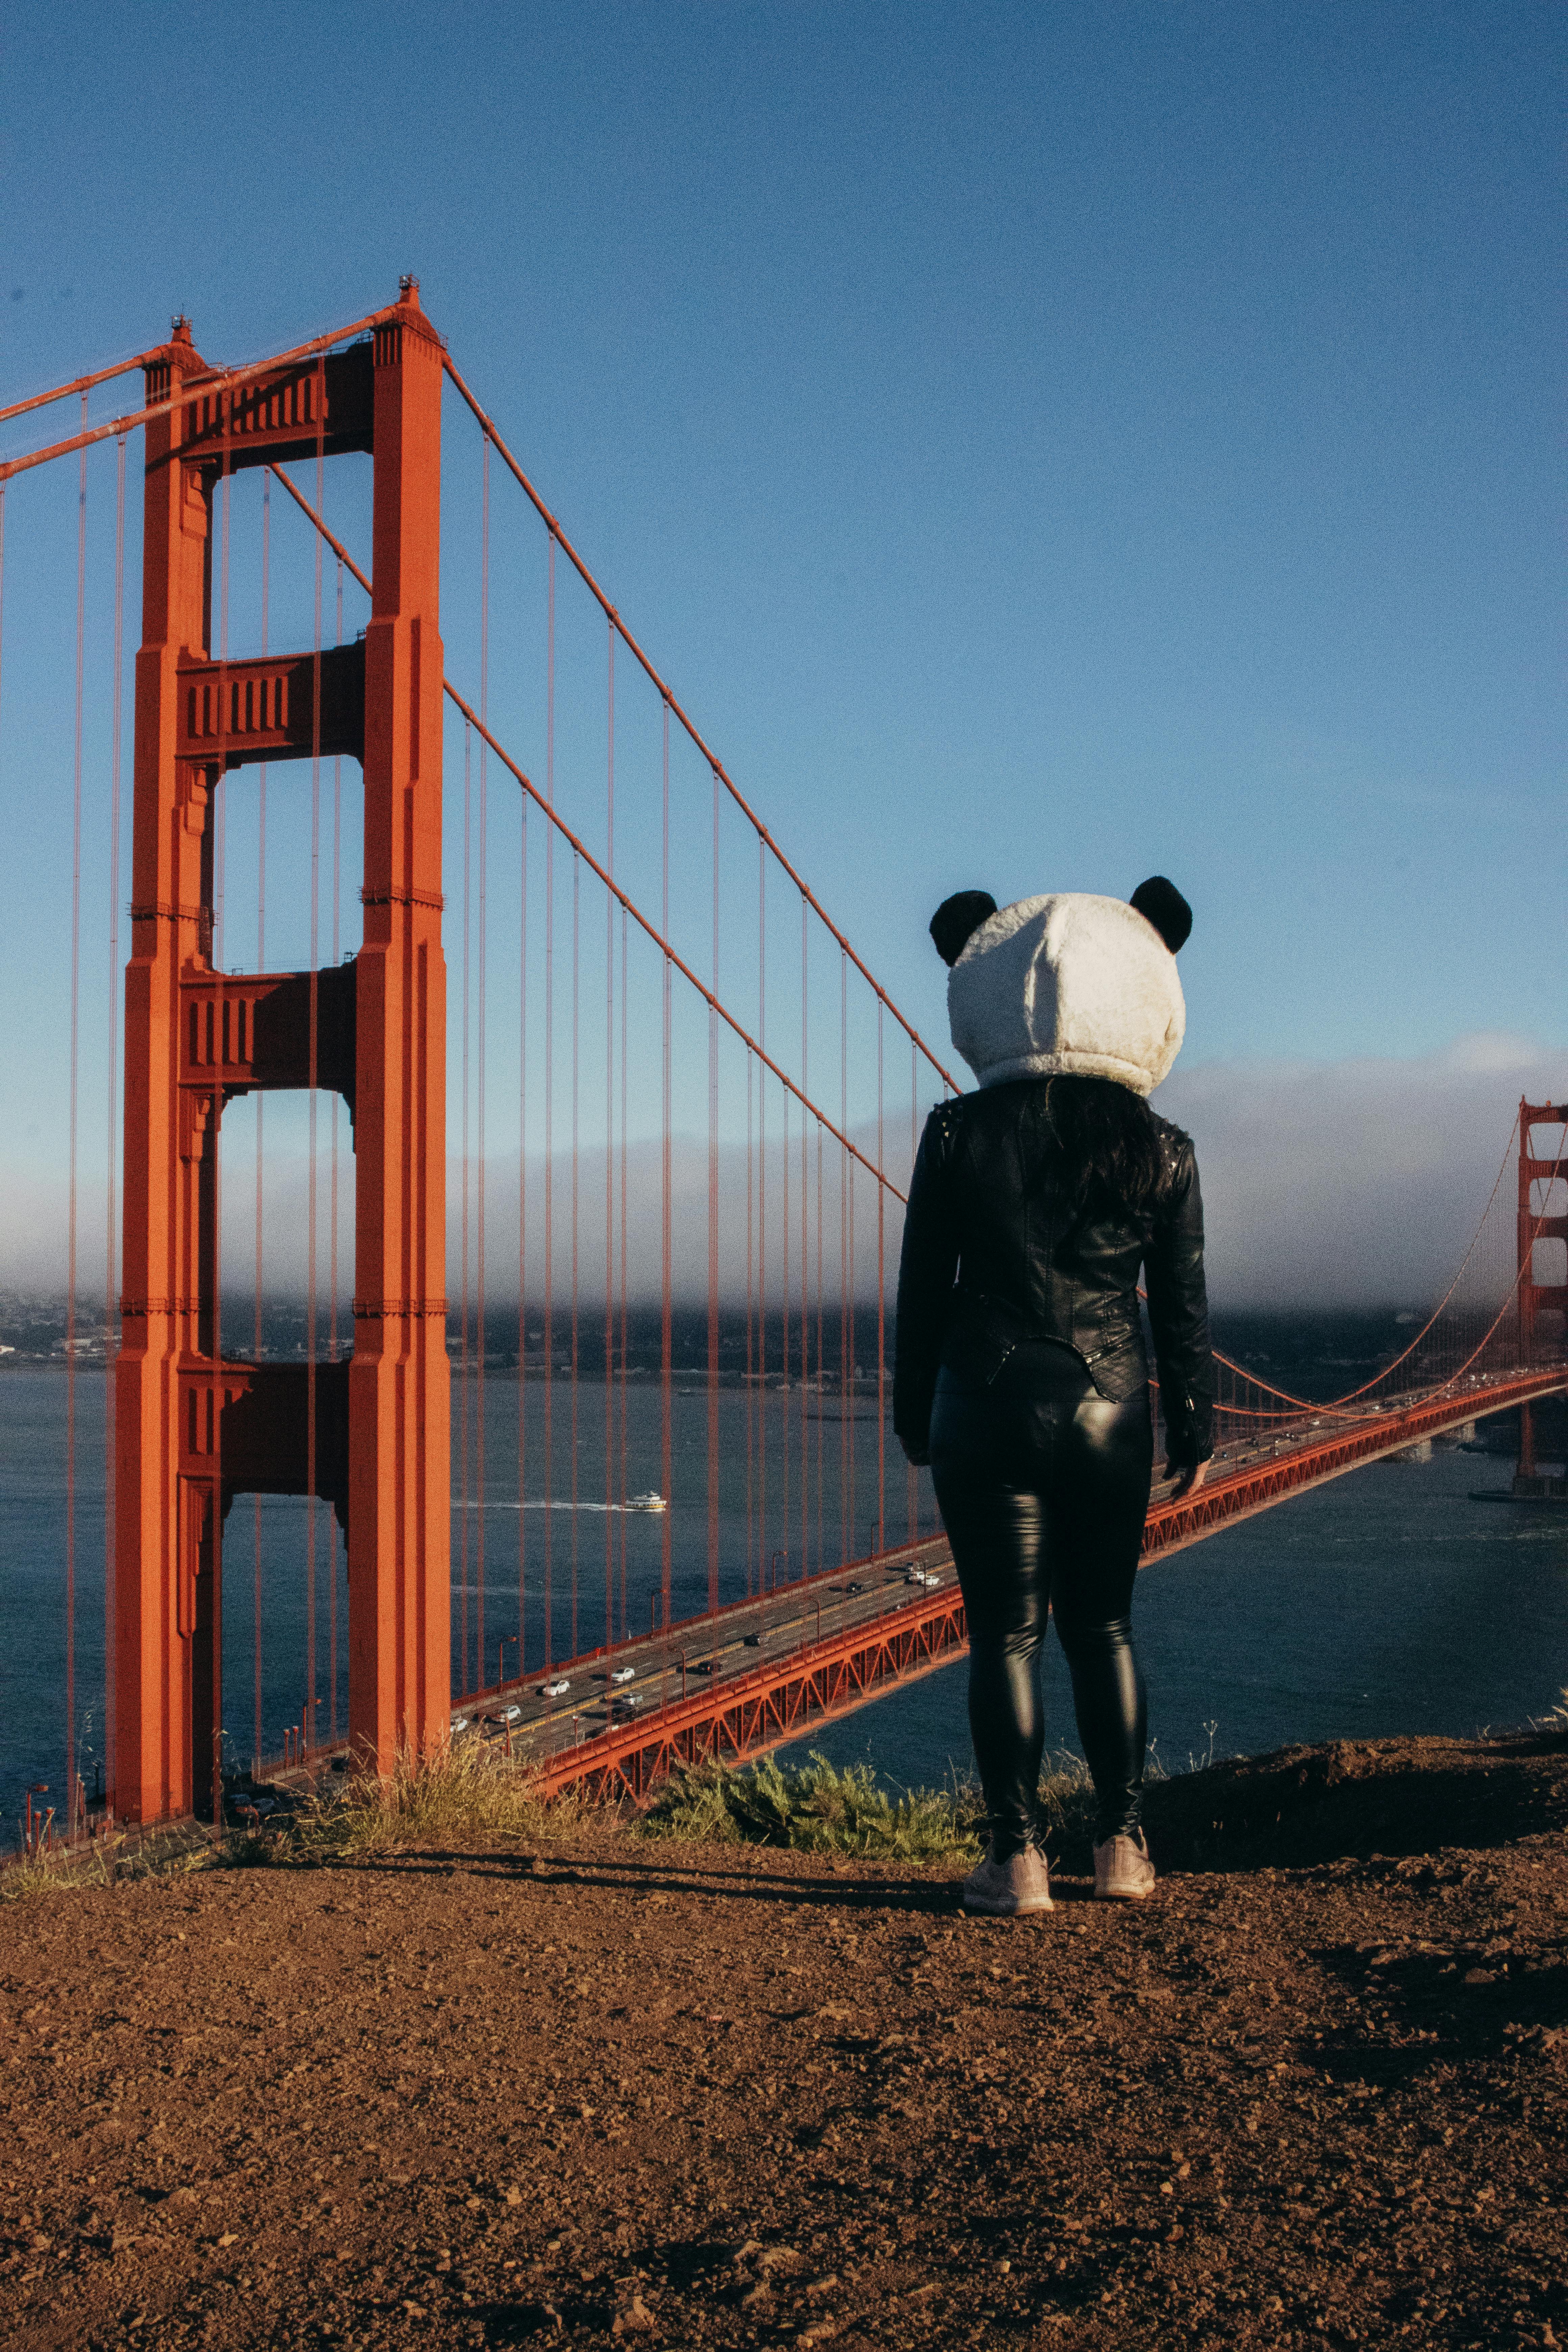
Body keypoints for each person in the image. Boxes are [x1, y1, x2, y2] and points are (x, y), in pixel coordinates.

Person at [893, 878, 1213, 1916]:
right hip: (1112, 1402)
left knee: (1005, 1638)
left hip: (979, 1404)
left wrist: (911, 1413)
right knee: (1105, 1630)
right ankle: (1123, 1849)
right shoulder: (1163, 1146)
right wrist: (1197, 1423)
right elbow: (1183, 1309)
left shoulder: (954, 1133)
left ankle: (1017, 1859)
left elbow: (921, 1293)